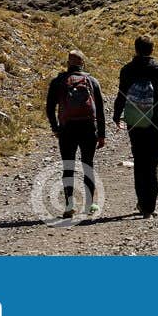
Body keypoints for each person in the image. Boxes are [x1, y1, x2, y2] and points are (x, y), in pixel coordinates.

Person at [112, 35, 158, 218]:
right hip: (154, 122)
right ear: (152, 49)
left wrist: (117, 116)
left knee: (139, 162)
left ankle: (142, 203)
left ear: (136, 49)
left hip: (134, 122)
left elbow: (121, 96)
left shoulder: (127, 69)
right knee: (152, 164)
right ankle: (150, 207)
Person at [44, 49, 105, 220]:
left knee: (68, 166)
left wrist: (55, 128)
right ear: (82, 63)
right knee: (88, 165)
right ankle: (89, 204)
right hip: (88, 128)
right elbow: (100, 110)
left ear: (68, 64)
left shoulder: (58, 81)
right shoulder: (92, 81)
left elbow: (50, 108)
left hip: (67, 129)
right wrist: (102, 134)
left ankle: (69, 205)